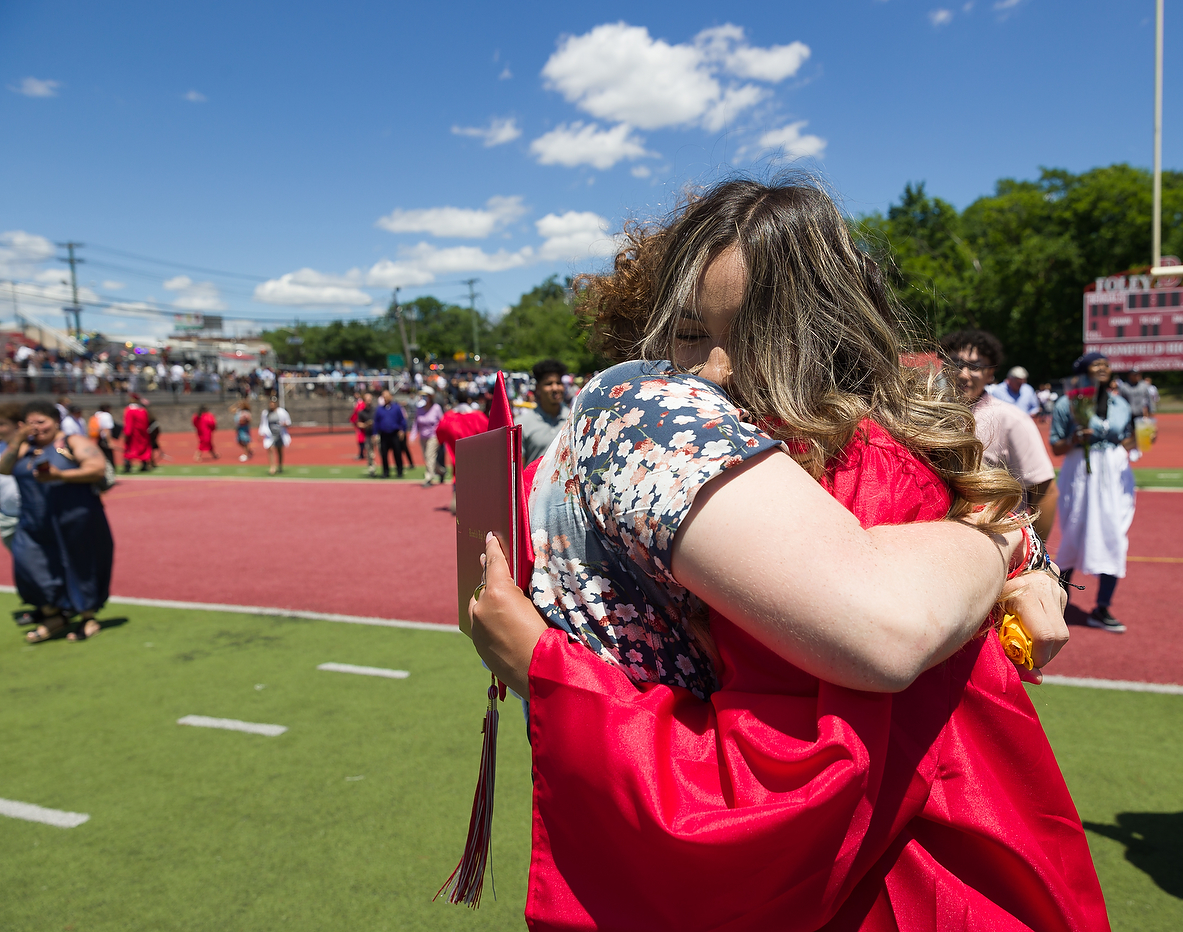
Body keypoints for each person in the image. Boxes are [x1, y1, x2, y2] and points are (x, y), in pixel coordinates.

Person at [463, 179, 1106, 931]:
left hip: (908, 884)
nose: (716, 371)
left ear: (831, 336)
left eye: (761, 338)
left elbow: (790, 789)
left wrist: (547, 671)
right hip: (981, 848)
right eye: (691, 332)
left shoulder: (843, 475)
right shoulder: (797, 458)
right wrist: (1015, 546)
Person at [0, 401, 114, 642]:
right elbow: (4, 467)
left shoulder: (71, 443)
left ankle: (87, 617)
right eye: (31, 423)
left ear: (56, 422)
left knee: (81, 566)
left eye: (41, 422)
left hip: (75, 517)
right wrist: (18, 439)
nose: (37, 428)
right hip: (34, 520)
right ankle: (54, 613)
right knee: (30, 567)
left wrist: (60, 475)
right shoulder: (24, 447)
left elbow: (96, 469)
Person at [1050, 352, 1136, 633]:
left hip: (1113, 472)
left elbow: (1127, 439)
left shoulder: (1120, 404)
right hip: (1080, 472)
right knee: (1074, 532)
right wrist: (1075, 438)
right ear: (1084, 370)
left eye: (1106, 364)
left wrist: (1143, 438)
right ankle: (1058, 604)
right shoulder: (1068, 403)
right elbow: (1057, 446)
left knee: (1114, 536)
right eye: (1097, 364)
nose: (1104, 368)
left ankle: (1102, 607)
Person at [943, 328, 1058, 539]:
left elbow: (1045, 491)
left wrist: (1035, 554)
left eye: (975, 366)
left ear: (990, 374)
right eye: (955, 363)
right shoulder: (930, 416)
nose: (962, 374)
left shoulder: (1011, 420)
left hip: (994, 543)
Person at [517, 358, 568, 464]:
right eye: (549, 384)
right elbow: (518, 469)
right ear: (538, 388)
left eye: (558, 383)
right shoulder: (522, 424)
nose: (555, 388)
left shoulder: (573, 419)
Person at [0, 404, 23, 549]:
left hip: (29, 517)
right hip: (6, 517)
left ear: (18, 425)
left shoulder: (33, 448)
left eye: (2, 424)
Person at [413, 388, 445, 487]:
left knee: (429, 456)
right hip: (423, 436)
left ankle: (429, 477)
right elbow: (416, 423)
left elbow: (442, 421)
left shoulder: (436, 408)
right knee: (427, 458)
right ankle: (441, 471)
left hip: (433, 436)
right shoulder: (419, 408)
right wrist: (413, 435)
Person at [372, 389, 407, 478]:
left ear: (391, 397)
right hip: (384, 434)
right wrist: (375, 433)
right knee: (384, 454)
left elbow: (402, 420)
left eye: (386, 396)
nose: (385, 398)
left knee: (397, 453)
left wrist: (402, 430)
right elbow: (376, 422)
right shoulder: (380, 409)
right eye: (383, 396)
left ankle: (399, 471)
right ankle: (385, 472)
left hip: (394, 434)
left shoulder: (396, 408)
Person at [1115, 368, 1156, 436]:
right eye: (1134, 375)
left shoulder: (1144, 386)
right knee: (1128, 434)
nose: (1137, 376)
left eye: (1138, 374)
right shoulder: (1124, 387)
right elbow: (1120, 401)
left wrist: (1151, 411)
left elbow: (1149, 400)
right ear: (1129, 376)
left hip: (1141, 414)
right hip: (1128, 415)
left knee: (1142, 434)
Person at [259, 396, 291, 476]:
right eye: (270, 403)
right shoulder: (266, 413)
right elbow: (263, 423)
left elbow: (288, 422)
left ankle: (280, 465)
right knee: (270, 448)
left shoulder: (282, 412)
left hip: (280, 433)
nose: (272, 405)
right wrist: (260, 433)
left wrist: (284, 424)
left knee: (279, 450)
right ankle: (272, 467)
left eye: (273, 403)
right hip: (270, 434)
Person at [121, 394, 152, 473]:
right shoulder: (143, 410)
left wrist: (126, 433)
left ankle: (128, 466)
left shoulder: (129, 410)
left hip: (133, 435)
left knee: (129, 450)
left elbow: (129, 424)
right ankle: (144, 465)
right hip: (143, 434)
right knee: (143, 449)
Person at [88, 403, 116, 469]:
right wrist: (109, 442)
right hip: (104, 439)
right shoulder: (106, 415)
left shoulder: (96, 415)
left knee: (100, 455)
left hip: (98, 438)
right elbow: (107, 429)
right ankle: (110, 470)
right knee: (108, 457)